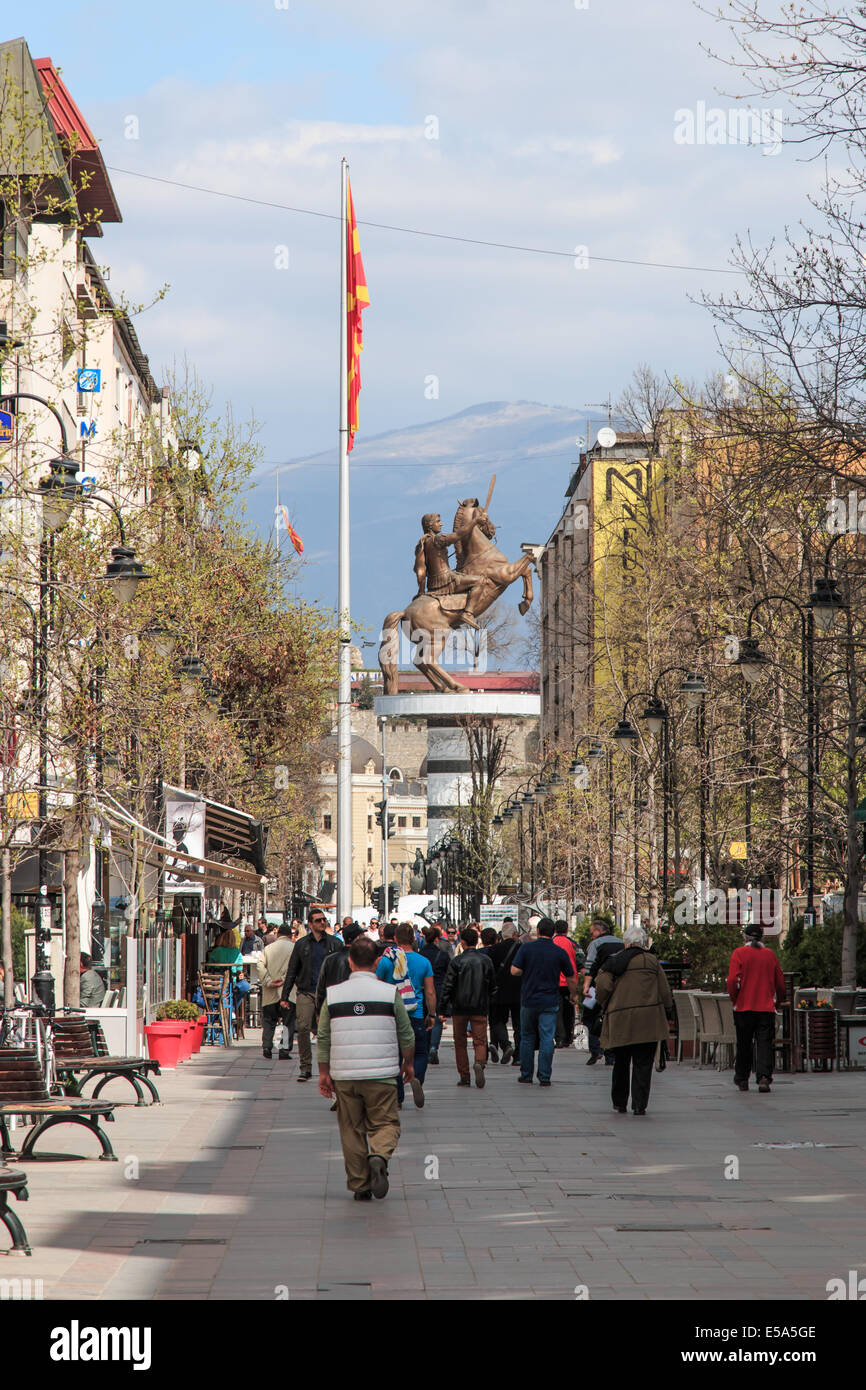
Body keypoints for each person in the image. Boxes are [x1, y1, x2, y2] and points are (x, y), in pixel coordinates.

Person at [317, 936, 416, 1201]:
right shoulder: (388, 992)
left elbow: (324, 1036)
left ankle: (360, 1185)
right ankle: (379, 1154)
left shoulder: (333, 995)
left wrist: (323, 1072)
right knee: (385, 1123)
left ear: (349, 962)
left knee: (351, 1129)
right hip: (382, 1073)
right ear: (377, 962)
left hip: (344, 1075)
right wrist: (408, 1063)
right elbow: (406, 1032)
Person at [594, 924, 673, 1115]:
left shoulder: (614, 961)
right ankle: (639, 1105)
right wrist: (668, 1010)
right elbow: (664, 991)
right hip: (648, 1020)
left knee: (621, 1061)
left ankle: (620, 1102)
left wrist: (605, 1003)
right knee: (643, 1063)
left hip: (620, 1019)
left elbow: (602, 986)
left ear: (626, 943)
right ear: (644, 943)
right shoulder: (652, 961)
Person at [510, 917, 579, 1086]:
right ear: (553, 932)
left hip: (529, 1000)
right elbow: (571, 977)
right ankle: (545, 1075)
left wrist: (527, 971)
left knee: (527, 1037)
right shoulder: (559, 952)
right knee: (547, 1038)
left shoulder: (527, 949)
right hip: (549, 1000)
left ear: (538, 931)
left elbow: (514, 971)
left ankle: (526, 1074)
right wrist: (573, 996)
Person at [280, 908, 342, 1081]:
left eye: (324, 920)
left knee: (327, 1031)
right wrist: (285, 996)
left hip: (329, 993)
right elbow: (292, 970)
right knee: (304, 1028)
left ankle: (330, 1068)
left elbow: (341, 967)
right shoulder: (301, 944)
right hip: (306, 991)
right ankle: (305, 1067)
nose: (322, 923)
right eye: (318, 920)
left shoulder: (334, 943)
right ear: (310, 924)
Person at [377, 923, 435, 1107]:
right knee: (419, 1052)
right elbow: (430, 992)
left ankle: (398, 1097)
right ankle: (416, 1077)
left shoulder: (387, 961)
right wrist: (432, 1014)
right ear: (413, 939)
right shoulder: (423, 961)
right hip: (415, 1013)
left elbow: (377, 986)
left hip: (392, 1014)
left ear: (395, 939)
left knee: (394, 1057)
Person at [726, 922, 786, 1093]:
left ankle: (742, 1078)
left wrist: (735, 998)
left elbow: (732, 981)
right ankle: (764, 1077)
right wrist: (778, 1001)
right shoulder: (769, 955)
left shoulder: (739, 953)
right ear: (762, 937)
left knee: (744, 1043)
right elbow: (780, 983)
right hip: (765, 1007)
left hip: (744, 1007)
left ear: (745, 937)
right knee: (765, 1043)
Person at [439, 927, 497, 1088]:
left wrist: (442, 1009)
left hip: (460, 1008)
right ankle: (479, 1063)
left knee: (460, 1042)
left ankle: (464, 1076)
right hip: (480, 1006)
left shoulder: (456, 961)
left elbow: (448, 986)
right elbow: (493, 986)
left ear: (462, 943)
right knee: (480, 1040)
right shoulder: (486, 961)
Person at [583, 919, 623, 1065]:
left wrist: (586, 986)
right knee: (611, 1018)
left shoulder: (595, 944)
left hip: (597, 987)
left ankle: (596, 1050)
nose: (591, 936)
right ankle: (610, 1054)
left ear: (599, 931)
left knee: (590, 1017)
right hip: (617, 988)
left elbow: (590, 966)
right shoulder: (621, 942)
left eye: (592, 932)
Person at [487, 920, 522, 1065]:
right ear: (515, 934)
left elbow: (489, 971)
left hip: (499, 991)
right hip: (518, 991)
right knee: (518, 1025)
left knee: (497, 1021)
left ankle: (506, 1044)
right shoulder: (522, 948)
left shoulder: (494, 949)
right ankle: (518, 1056)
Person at [258, 924, 295, 1059]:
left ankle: (267, 1047)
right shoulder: (294, 948)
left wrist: (268, 981)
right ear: (290, 936)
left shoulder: (267, 949)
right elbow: (295, 968)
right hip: (288, 993)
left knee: (268, 1020)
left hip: (270, 993)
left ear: (278, 935)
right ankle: (284, 1050)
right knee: (288, 1022)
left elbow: (260, 964)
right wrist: (284, 979)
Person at [419, 925, 450, 1064]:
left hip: (422, 988)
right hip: (438, 989)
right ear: (437, 939)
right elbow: (449, 974)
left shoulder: (420, 955)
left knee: (424, 1017)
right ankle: (433, 1047)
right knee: (437, 1019)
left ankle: (425, 1047)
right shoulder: (442, 955)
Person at [552, 921, 579, 1048]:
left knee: (557, 1011)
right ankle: (568, 1037)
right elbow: (580, 961)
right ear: (567, 930)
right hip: (570, 981)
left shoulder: (551, 942)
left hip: (555, 982)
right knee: (569, 1011)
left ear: (555, 930)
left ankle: (559, 1038)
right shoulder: (573, 944)